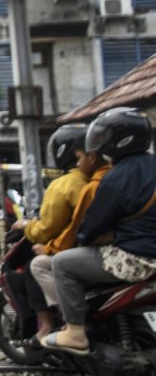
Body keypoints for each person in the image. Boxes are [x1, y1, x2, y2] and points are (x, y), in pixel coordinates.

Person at [46, 107, 156, 355]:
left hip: (135, 259)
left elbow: (89, 230)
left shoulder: (117, 177)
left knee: (62, 263)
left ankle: (75, 332)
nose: (98, 142)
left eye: (104, 136)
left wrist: (103, 235)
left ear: (120, 140)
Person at [29, 131, 110, 339]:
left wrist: (37, 238)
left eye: (80, 157)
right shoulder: (119, 176)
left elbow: (69, 230)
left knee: (42, 263)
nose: (79, 161)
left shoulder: (84, 185)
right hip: (135, 248)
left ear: (91, 157)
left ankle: (73, 325)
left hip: (111, 252)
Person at [12, 124, 90, 339]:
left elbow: (46, 229)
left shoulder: (64, 184)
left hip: (78, 247)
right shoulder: (99, 177)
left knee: (34, 266)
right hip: (97, 244)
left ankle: (53, 324)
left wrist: (27, 227)